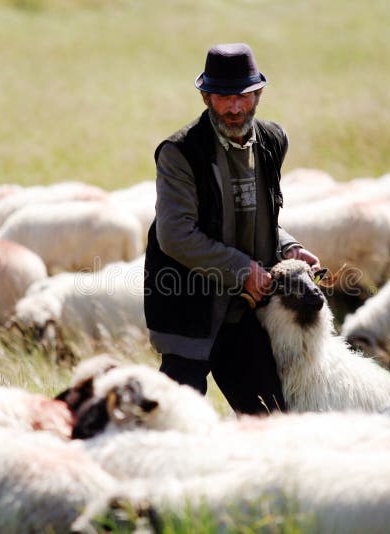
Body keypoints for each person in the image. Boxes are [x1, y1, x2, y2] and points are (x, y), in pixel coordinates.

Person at [144, 43, 320, 415]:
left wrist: (287, 247)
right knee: (178, 422)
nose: (235, 107)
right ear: (206, 96)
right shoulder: (180, 152)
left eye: (243, 96)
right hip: (189, 306)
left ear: (258, 94)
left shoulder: (272, 141)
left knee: (270, 417)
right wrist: (242, 270)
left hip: (244, 312)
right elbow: (175, 234)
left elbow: (259, 217)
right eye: (224, 97)